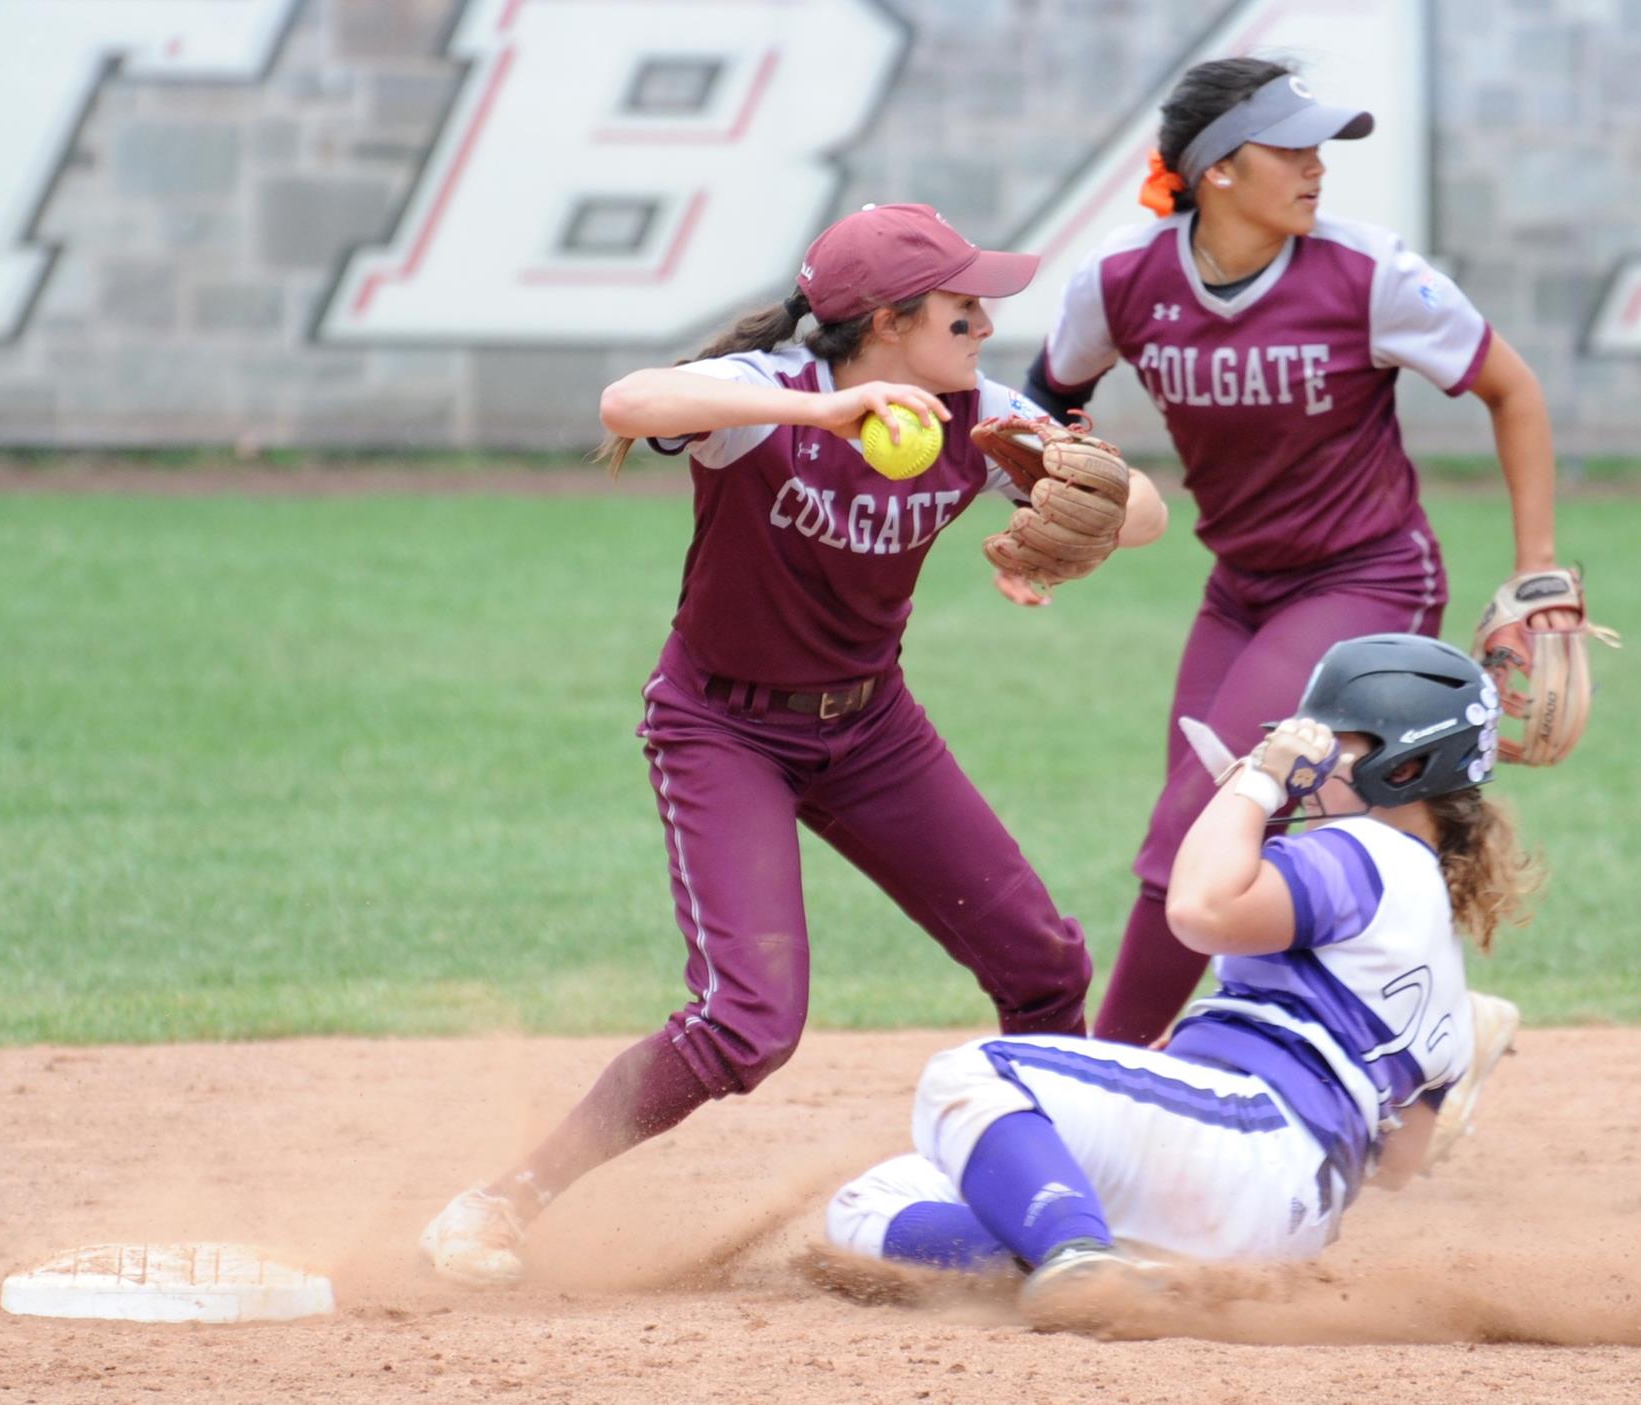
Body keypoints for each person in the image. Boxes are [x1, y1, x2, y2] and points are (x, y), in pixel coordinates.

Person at [417, 203, 1170, 1286]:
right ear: (886, 323)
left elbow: (1143, 512)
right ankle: (500, 1204)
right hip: (722, 725)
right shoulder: (767, 400)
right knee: (748, 1024)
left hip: (869, 727)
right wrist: (830, 415)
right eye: (960, 309)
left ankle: (1058, 1210)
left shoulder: (979, 414)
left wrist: (1074, 495)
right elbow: (626, 403)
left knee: (1044, 966)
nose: (984, 323)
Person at [1014, 56, 1581, 1045]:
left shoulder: (1367, 273)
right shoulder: (1123, 278)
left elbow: (1513, 389)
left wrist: (1535, 571)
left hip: (1369, 577)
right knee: (1219, 828)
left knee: (1209, 809)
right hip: (1239, 592)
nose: (1316, 166)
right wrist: (1043, 520)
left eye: (1318, 147)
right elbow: (1047, 400)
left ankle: (1101, 1067)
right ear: (1217, 170)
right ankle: (1431, 1025)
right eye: (1290, 148)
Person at [814, 634, 1535, 1335]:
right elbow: (1399, 1165)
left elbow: (1199, 909)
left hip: (1245, 1145)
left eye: (1331, 740)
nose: (1305, 757)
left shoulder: (1367, 847)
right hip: (1271, 1214)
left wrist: (1258, 782)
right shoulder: (1432, 935)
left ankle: (1076, 1258)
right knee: (873, 1204)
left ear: (1404, 769)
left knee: (974, 1073)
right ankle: (1112, 1271)